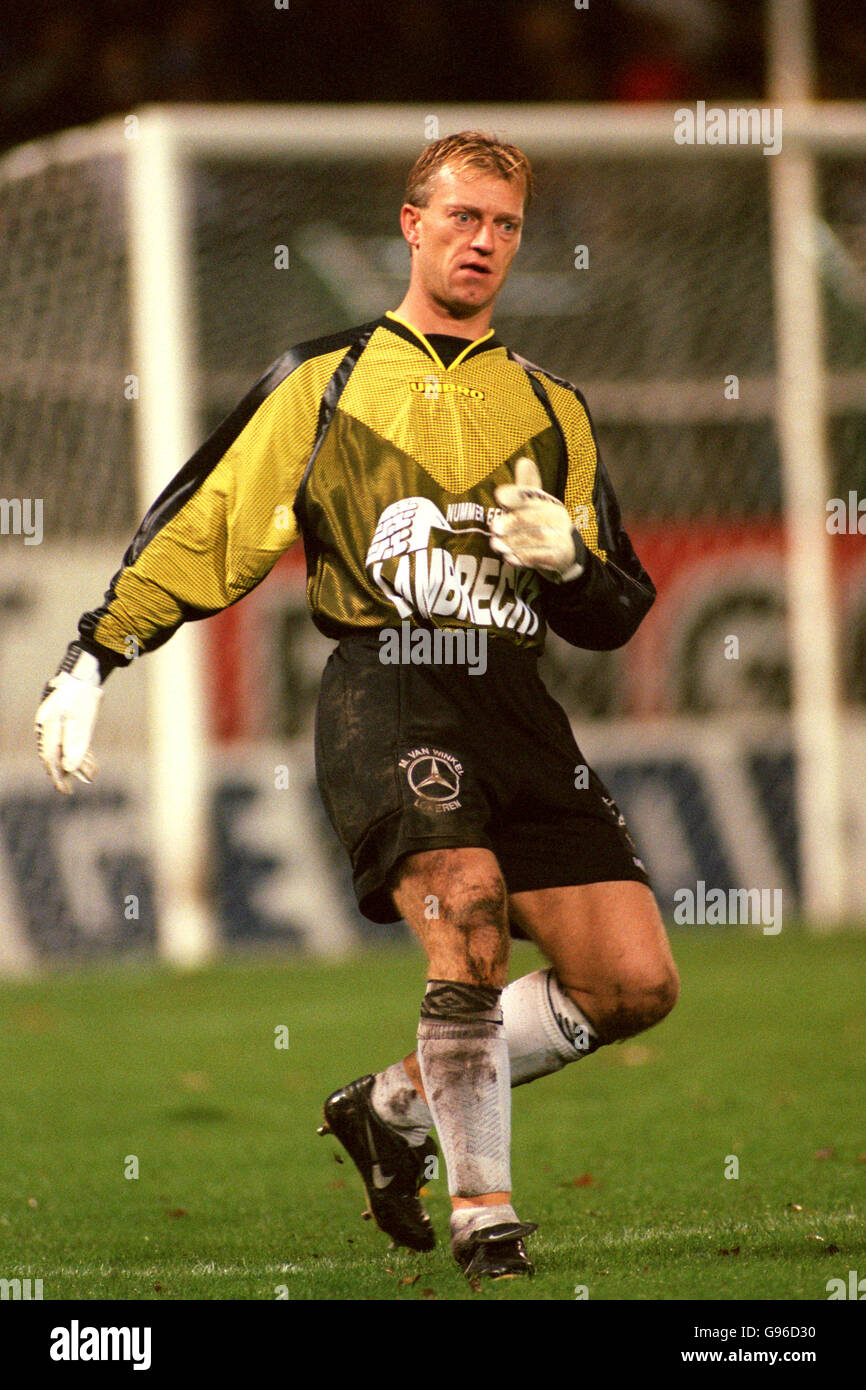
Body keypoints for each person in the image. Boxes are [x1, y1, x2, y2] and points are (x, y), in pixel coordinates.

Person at [35, 130, 679, 1283]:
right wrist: (95, 654)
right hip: (387, 686)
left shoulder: (554, 407)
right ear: (411, 224)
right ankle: (488, 1220)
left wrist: (572, 562)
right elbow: (207, 528)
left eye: (504, 225)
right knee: (467, 910)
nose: (482, 241)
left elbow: (613, 610)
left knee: (630, 982)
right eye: (462, 217)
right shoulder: (323, 379)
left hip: (514, 701)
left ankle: (387, 1110)